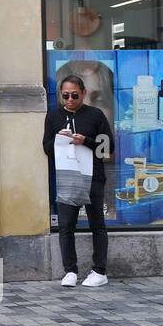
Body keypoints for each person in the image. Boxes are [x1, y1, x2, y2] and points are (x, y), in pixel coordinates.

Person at [43, 74, 114, 288]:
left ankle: (99, 271)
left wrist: (86, 141)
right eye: (65, 95)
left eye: (75, 95)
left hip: (93, 177)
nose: (70, 99)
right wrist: (60, 141)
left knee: (97, 224)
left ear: (83, 94)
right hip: (67, 178)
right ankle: (70, 271)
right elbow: (46, 147)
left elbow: (107, 148)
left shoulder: (96, 115)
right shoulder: (53, 116)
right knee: (66, 226)